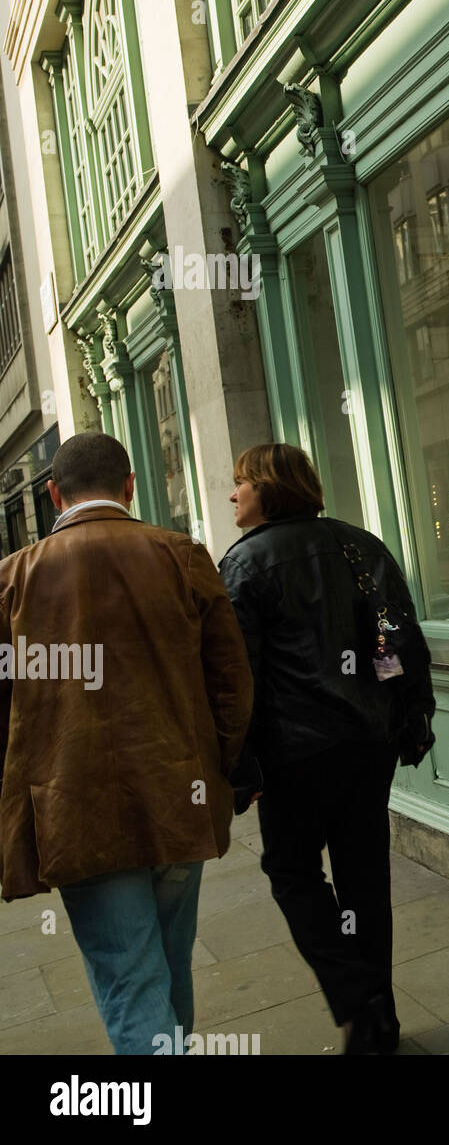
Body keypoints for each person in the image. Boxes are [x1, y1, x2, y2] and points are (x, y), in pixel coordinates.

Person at [0, 431, 254, 1055]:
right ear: (131, 486)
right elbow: (232, 684)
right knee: (167, 965)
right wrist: (215, 768)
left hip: (75, 811)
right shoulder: (181, 555)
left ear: (53, 494)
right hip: (179, 796)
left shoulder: (14, 577)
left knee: (131, 980)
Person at [218, 443, 434, 1055]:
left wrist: (240, 761)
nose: (233, 493)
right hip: (369, 742)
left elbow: (237, 675)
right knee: (364, 877)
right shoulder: (358, 545)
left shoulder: (245, 562)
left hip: (296, 755)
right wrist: (408, 711)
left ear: (269, 488)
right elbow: (394, 642)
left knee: (291, 872)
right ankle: (378, 1021)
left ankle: (357, 998)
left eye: (241, 482)